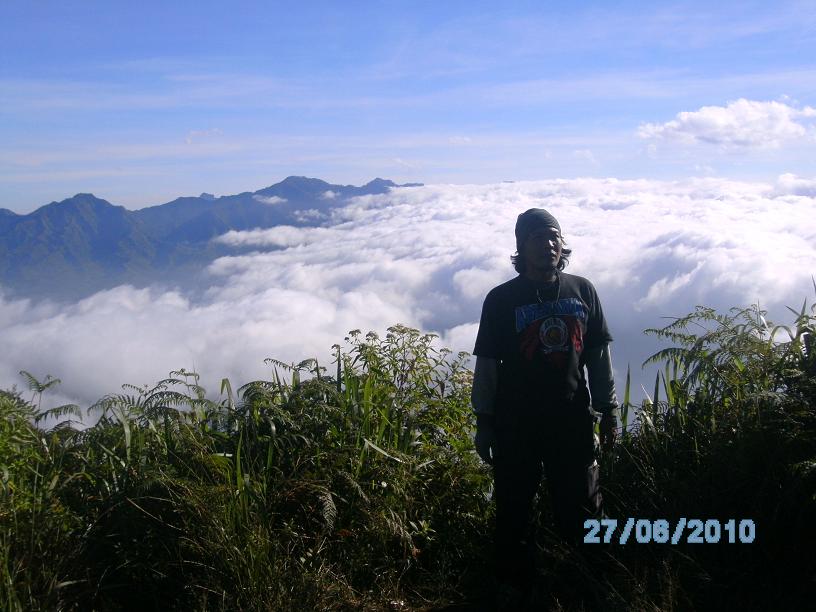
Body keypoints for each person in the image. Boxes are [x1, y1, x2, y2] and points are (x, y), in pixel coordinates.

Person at [471, 208, 619, 598]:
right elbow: (487, 363)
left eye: (553, 235)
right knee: (514, 508)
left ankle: (592, 581)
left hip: (571, 418)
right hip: (515, 422)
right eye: (537, 236)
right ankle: (515, 589)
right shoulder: (501, 299)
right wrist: (483, 421)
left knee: (585, 504)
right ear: (520, 245)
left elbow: (598, 357)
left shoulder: (582, 290)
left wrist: (609, 411)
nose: (548, 243)